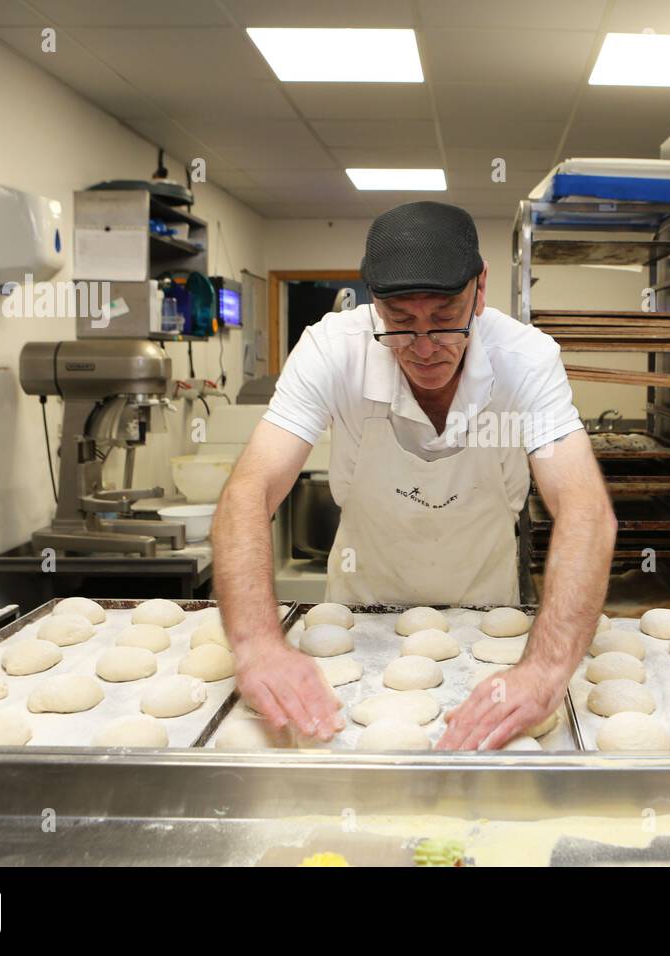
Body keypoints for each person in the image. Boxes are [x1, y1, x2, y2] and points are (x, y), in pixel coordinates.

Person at [213, 201, 615, 749]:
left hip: (490, 617)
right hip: (355, 618)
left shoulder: (526, 358)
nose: (425, 348)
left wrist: (545, 668)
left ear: (481, 288)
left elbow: (585, 510)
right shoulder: (332, 349)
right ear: (374, 304)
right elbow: (248, 492)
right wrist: (258, 643)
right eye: (400, 323)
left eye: (446, 317)